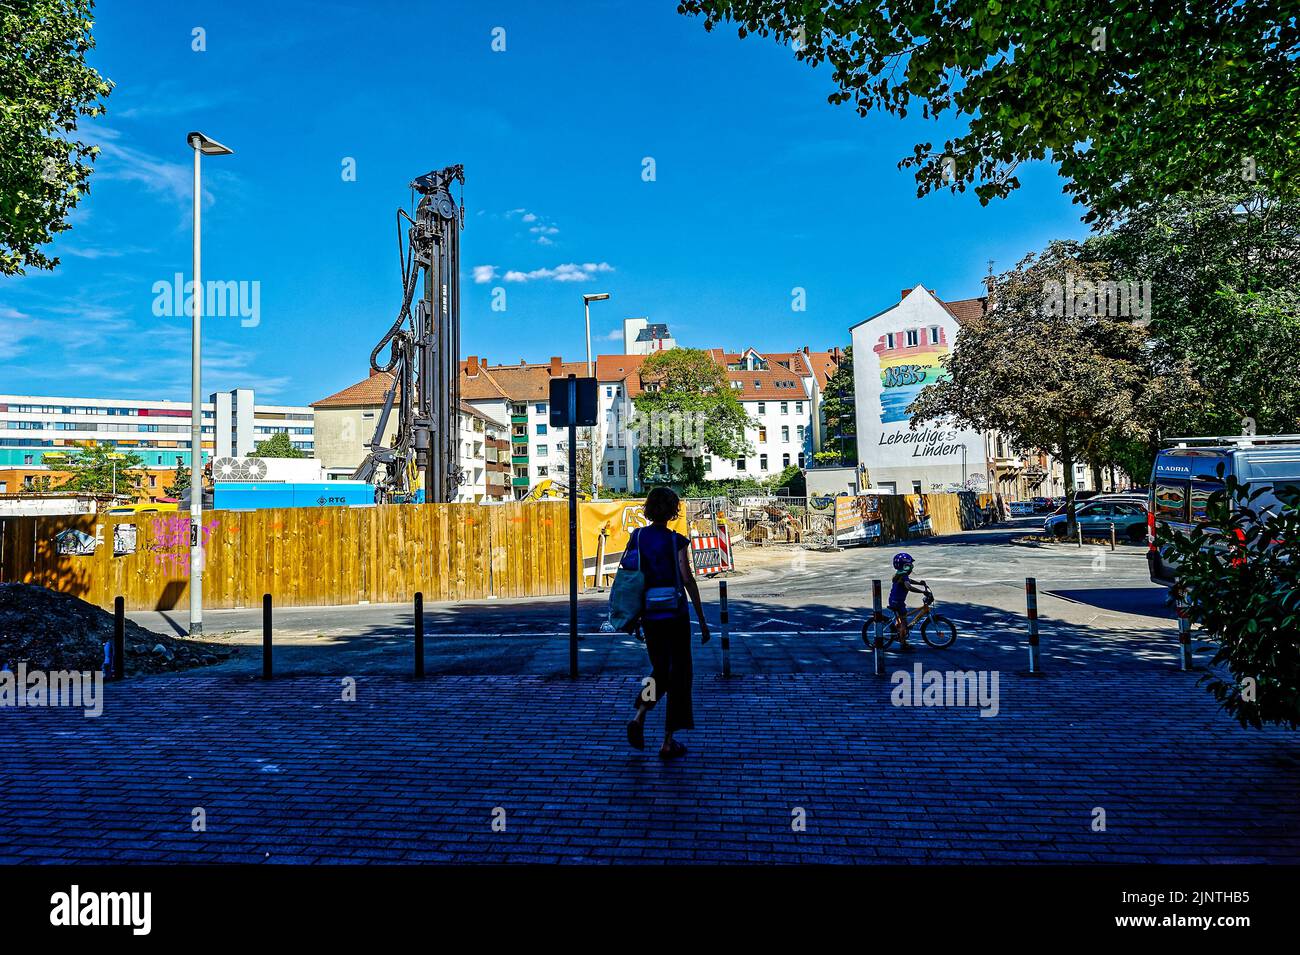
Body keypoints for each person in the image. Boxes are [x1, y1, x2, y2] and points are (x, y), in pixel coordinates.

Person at [624, 487, 710, 759]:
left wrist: (636, 616)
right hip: (675, 616)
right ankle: (668, 741)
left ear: (649, 508)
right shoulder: (676, 541)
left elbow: (632, 579)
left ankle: (639, 716)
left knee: (660, 670)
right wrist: (702, 620)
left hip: (650, 616)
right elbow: (687, 580)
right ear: (673, 511)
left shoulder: (637, 538)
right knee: (680, 675)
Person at [888, 552, 927, 652]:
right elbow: (909, 587)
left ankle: (898, 629)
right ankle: (903, 643)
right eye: (909, 565)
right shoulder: (903, 575)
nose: (911, 567)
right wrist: (922, 591)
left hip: (895, 600)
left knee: (902, 618)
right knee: (904, 623)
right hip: (898, 602)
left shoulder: (900, 574)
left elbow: (909, 581)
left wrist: (919, 583)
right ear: (905, 566)